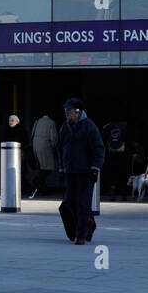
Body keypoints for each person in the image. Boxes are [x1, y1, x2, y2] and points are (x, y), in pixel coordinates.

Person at [58, 98, 105, 245]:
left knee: (83, 203)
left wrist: (95, 168)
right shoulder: (64, 128)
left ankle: (80, 236)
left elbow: (99, 148)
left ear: (78, 112)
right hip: (70, 171)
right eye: (66, 111)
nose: (67, 113)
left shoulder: (90, 127)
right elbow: (60, 148)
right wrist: (61, 168)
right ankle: (87, 225)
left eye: (70, 111)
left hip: (86, 171)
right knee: (67, 204)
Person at [0, 114, 28, 196]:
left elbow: (24, 142)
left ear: (17, 121)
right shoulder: (5, 129)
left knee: (16, 173)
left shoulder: (19, 130)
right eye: (10, 120)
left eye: (12, 120)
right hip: (5, 154)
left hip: (14, 155)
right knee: (4, 173)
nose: (10, 122)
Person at [31, 113, 59, 196]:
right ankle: (38, 181)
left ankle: (43, 188)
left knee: (41, 168)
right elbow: (53, 137)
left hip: (35, 145)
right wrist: (54, 146)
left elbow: (32, 134)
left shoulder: (37, 121)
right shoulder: (51, 122)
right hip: (45, 147)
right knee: (48, 168)